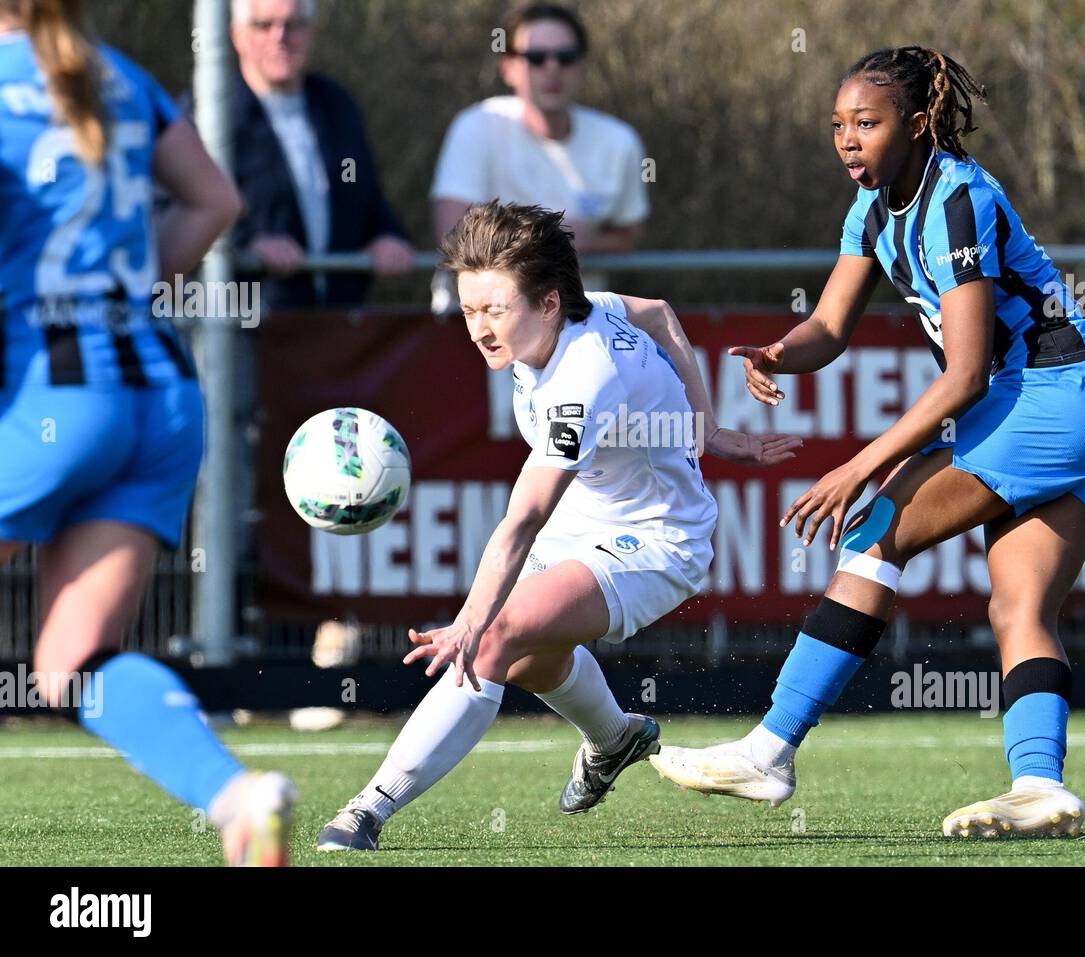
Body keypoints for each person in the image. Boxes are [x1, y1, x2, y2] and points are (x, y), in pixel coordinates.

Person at [650, 46, 1085, 839]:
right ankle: (1040, 787)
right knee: (1019, 603)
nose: (849, 139)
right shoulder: (872, 208)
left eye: (868, 123)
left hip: (1058, 397)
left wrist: (861, 464)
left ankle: (771, 747)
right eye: (840, 125)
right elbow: (830, 326)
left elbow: (967, 376)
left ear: (918, 124)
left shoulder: (958, 196)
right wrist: (783, 350)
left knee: (874, 529)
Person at [315, 201, 800, 851]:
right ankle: (614, 735)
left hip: (658, 539)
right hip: (584, 514)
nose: (480, 329)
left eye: (495, 310)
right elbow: (659, 311)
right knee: (533, 655)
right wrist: (705, 425)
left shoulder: (582, 377)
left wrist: (469, 621)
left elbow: (522, 518)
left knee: (494, 638)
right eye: (468, 310)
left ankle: (367, 810)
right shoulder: (573, 306)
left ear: (546, 303)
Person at [0, 0, 294, 865]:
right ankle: (237, 797)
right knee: (72, 660)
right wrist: (115, 287)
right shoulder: (121, 78)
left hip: (52, 390)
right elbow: (214, 202)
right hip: (160, 392)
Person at [428, 3, 648, 311]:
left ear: (583, 66)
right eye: (535, 57)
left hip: (574, 323)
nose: (552, 68)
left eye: (566, 57)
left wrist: (592, 241)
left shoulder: (620, 141)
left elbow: (627, 236)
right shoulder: (475, 126)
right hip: (474, 325)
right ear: (508, 67)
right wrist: (556, 239)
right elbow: (450, 235)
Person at [229, 0, 412, 308]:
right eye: (264, 25)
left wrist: (386, 235)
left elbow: (364, 193)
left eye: (293, 25)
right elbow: (181, 212)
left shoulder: (337, 107)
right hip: (249, 329)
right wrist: (246, 244)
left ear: (312, 32)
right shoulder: (209, 117)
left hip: (336, 325)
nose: (280, 37)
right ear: (237, 35)